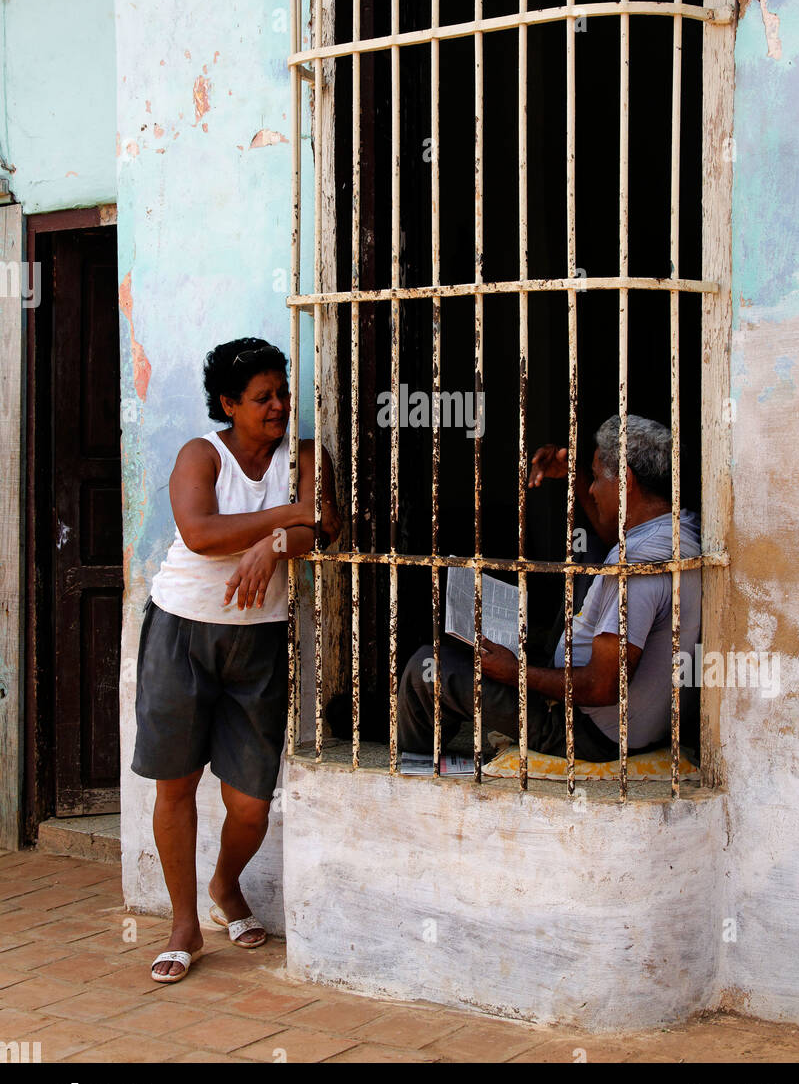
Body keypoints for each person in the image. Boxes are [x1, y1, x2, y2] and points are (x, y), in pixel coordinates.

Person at [132, 338, 341, 982]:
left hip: (258, 640)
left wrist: (275, 542)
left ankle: (227, 884)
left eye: (281, 393)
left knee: (250, 802)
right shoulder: (203, 455)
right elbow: (200, 533)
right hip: (181, 631)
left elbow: (328, 526)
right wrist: (287, 522)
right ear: (228, 404)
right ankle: (184, 925)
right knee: (177, 786)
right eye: (262, 399)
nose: (279, 407)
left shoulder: (304, 457)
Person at [397, 414, 700, 763]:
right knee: (587, 553)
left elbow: (602, 688)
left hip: (588, 732)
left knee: (427, 668)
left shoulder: (632, 567)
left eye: (597, 478)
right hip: (642, 725)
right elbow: (608, 533)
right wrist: (576, 473)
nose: (590, 490)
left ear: (626, 481)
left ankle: (417, 766)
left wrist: (515, 673)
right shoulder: (677, 533)